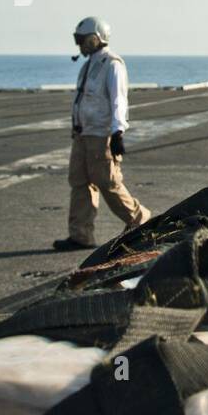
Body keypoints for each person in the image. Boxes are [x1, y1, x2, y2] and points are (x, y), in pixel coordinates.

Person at [52, 17, 152, 251]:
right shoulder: (88, 65)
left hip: (101, 135)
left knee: (108, 183)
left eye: (82, 40)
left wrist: (118, 132)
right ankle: (80, 235)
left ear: (95, 38)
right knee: (79, 183)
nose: (79, 45)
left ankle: (141, 221)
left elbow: (119, 100)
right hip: (82, 135)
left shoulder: (112, 64)